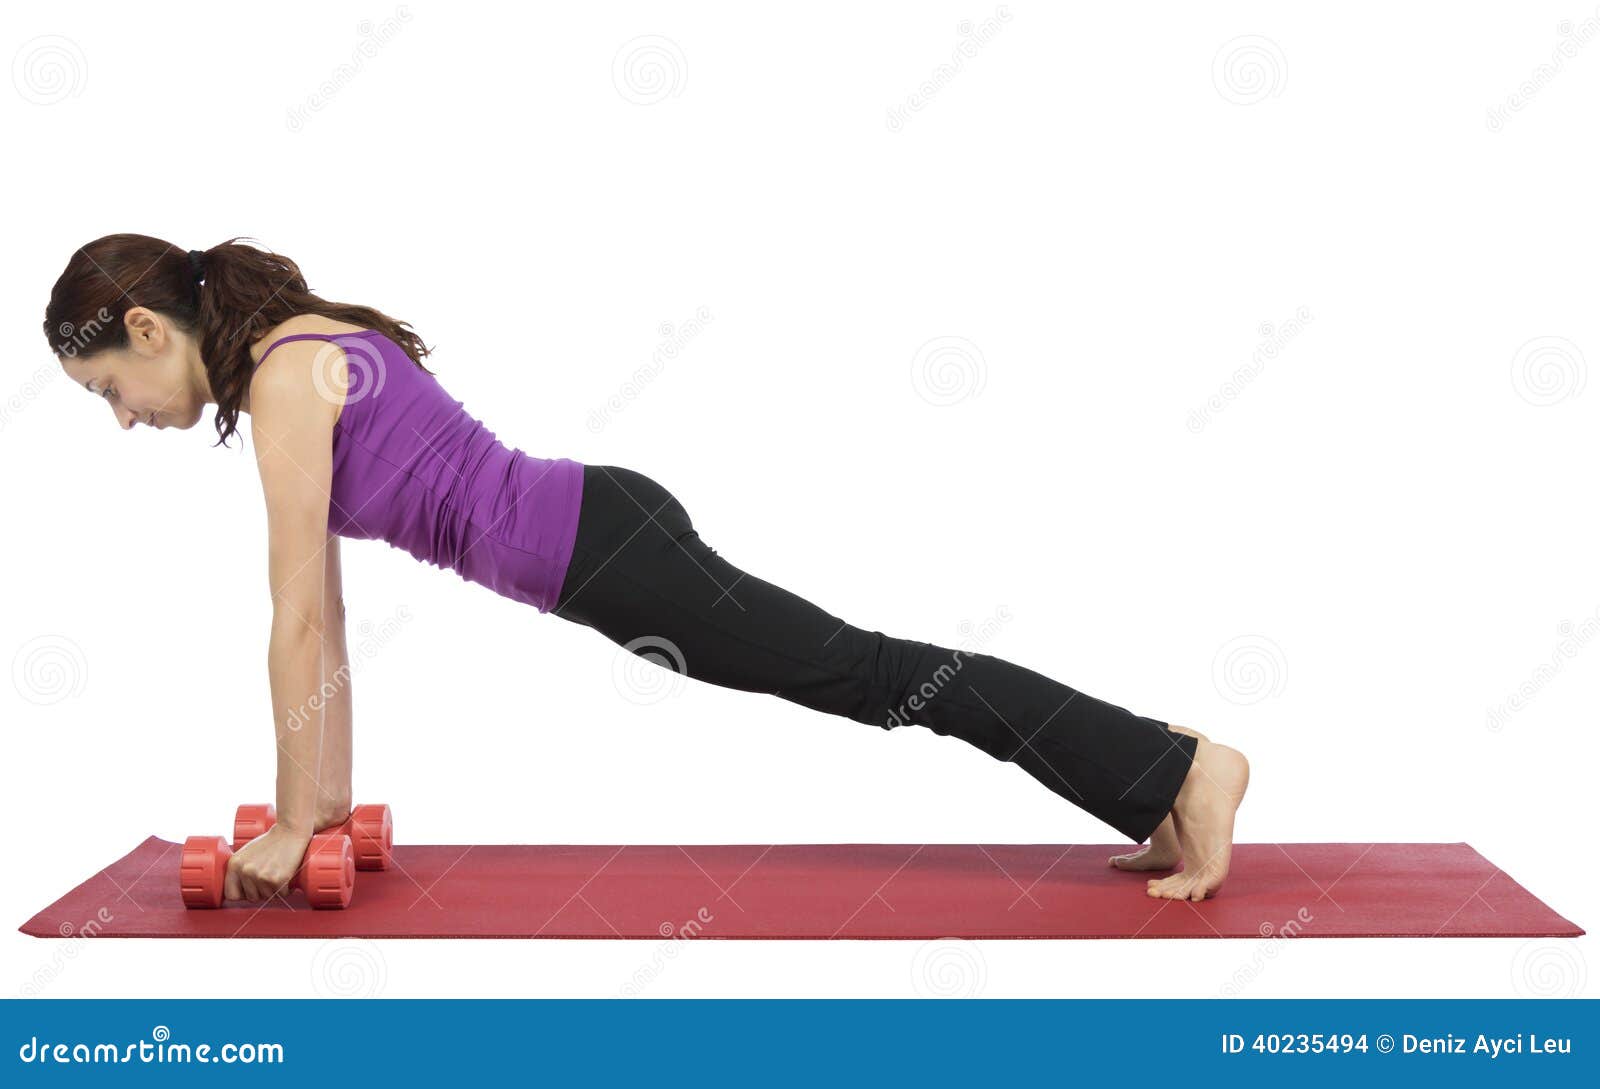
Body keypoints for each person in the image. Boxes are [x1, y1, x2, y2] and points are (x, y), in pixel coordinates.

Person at [43, 234, 1249, 905]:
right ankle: (1151, 784)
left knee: (875, 678)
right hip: (599, 539)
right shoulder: (293, 371)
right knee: (871, 677)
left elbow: (298, 616)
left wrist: (297, 822)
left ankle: (1185, 767)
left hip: (604, 551)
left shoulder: (287, 381)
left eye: (110, 392)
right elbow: (328, 624)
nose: (125, 419)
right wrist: (322, 818)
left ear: (148, 331)